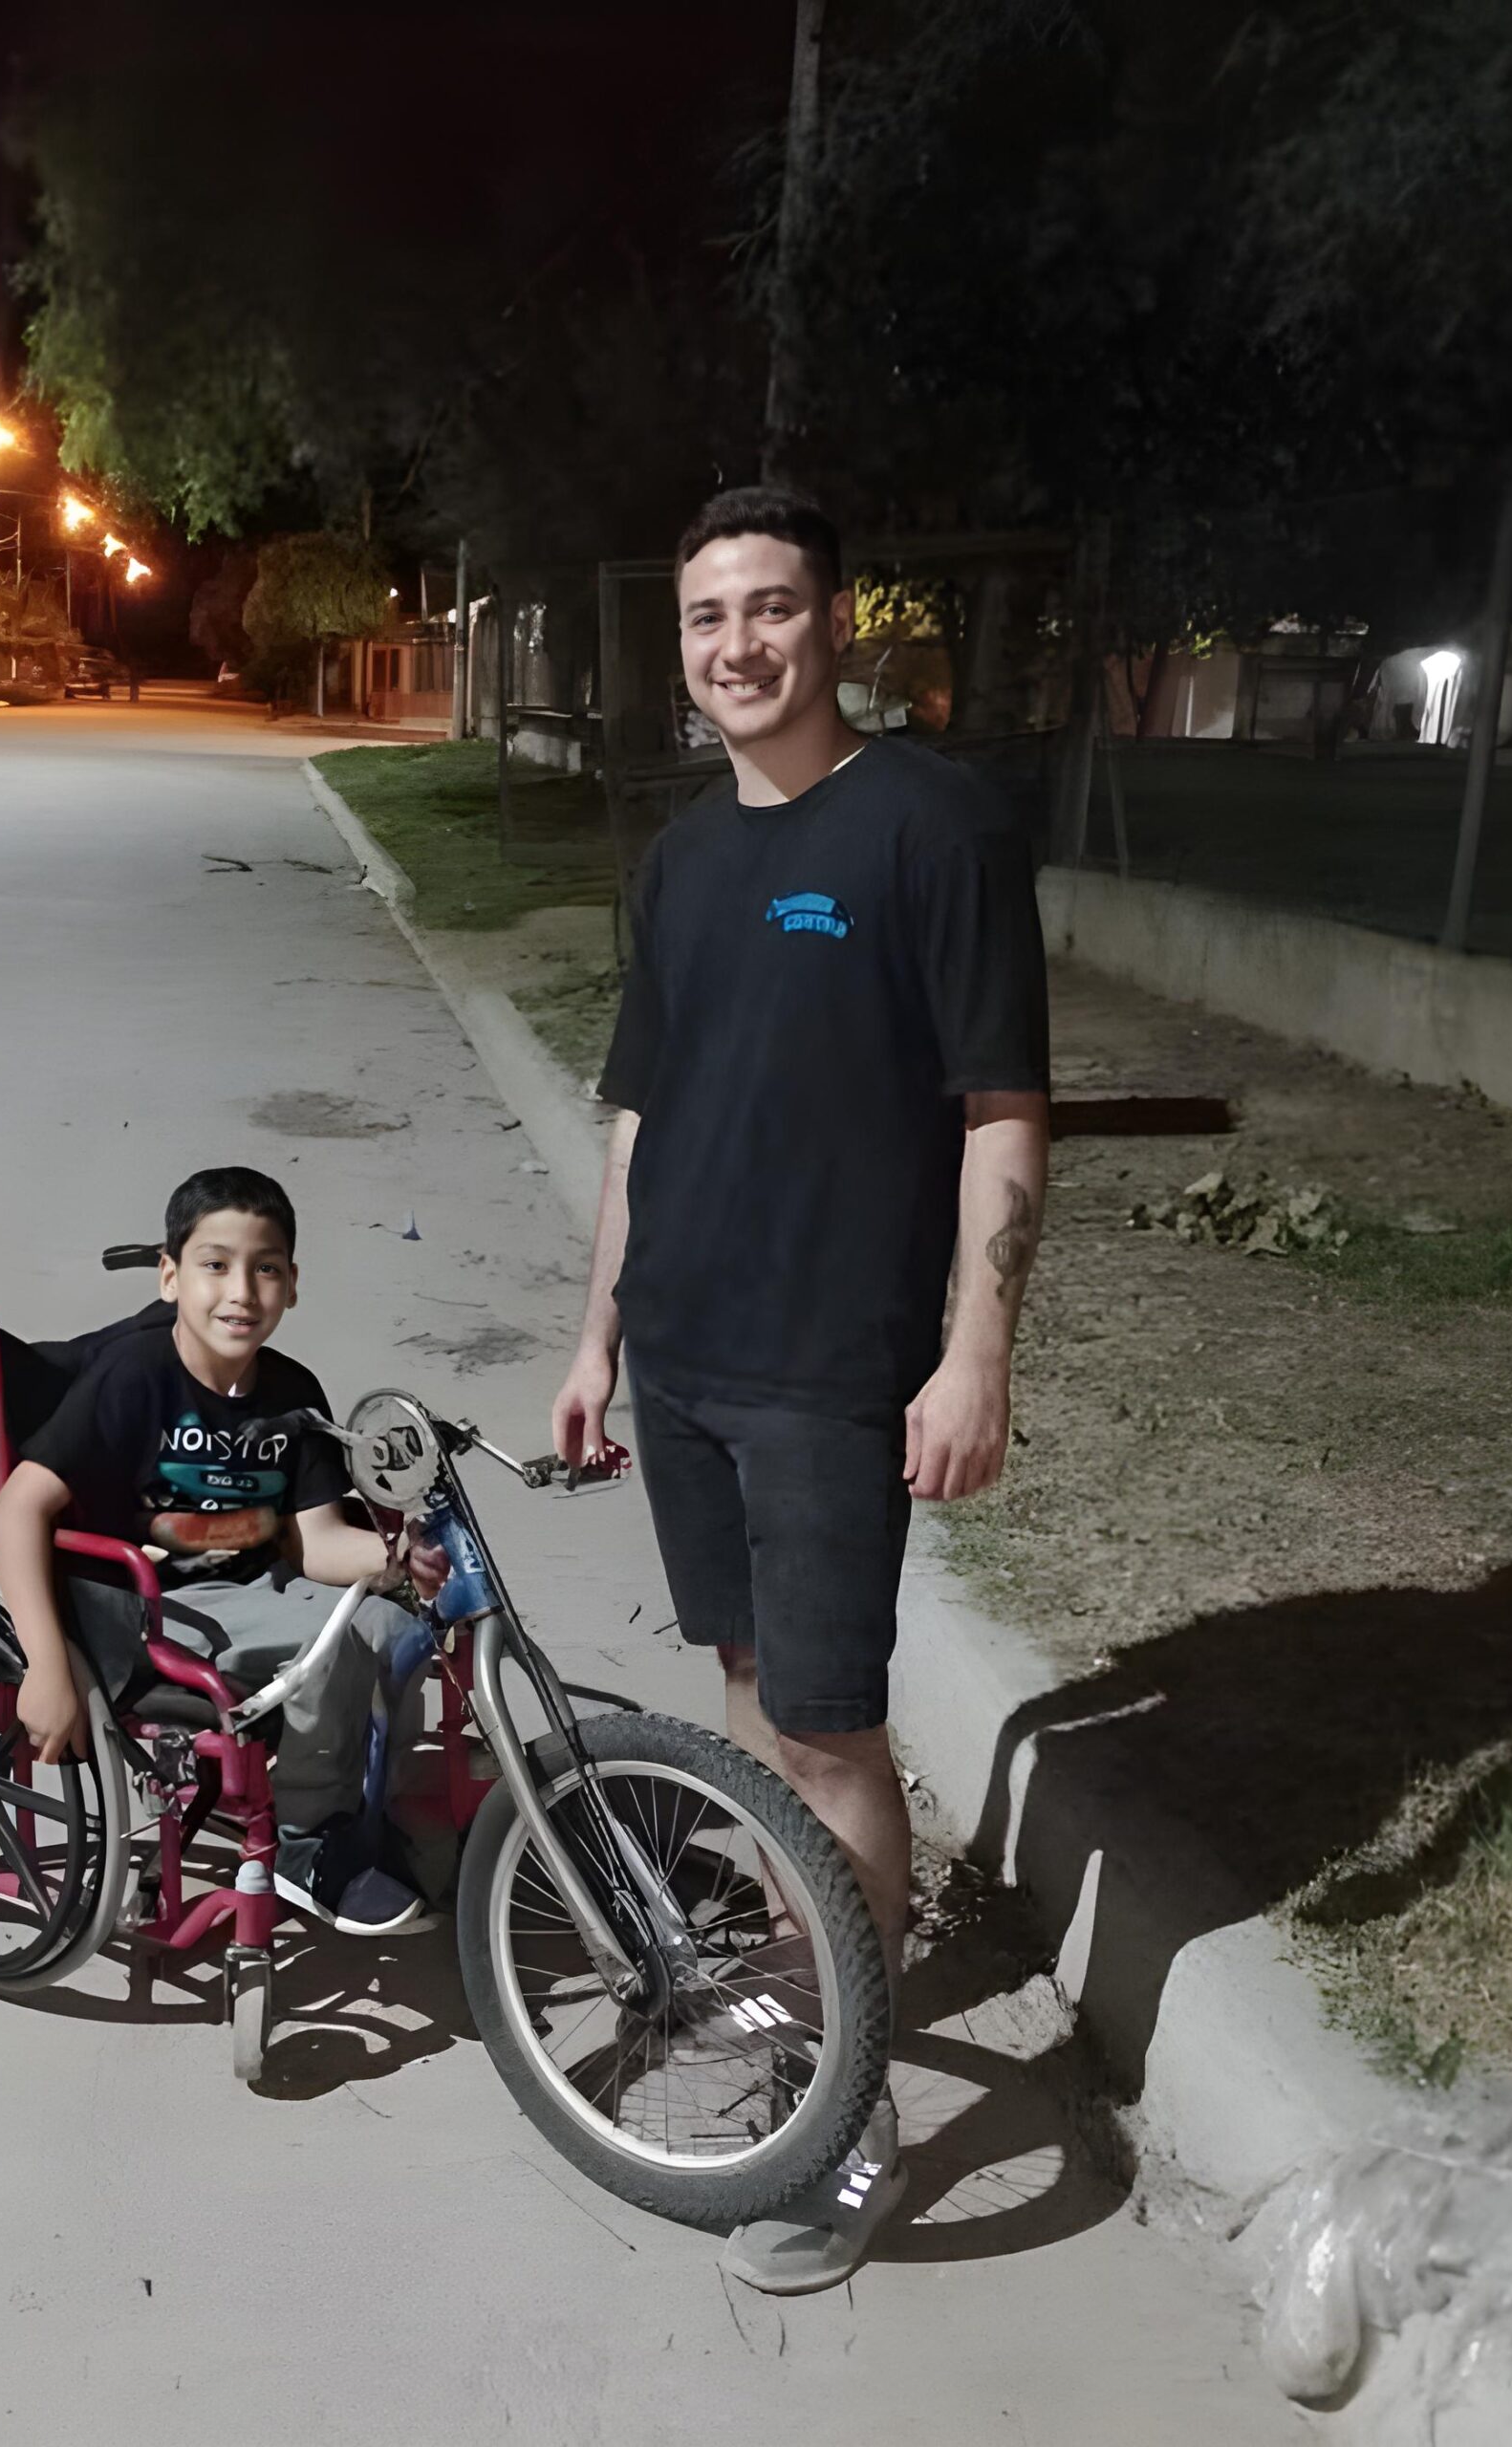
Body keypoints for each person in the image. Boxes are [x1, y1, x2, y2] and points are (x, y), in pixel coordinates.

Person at [550, 486, 1050, 2292]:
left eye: (768, 608)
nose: (736, 646)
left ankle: (849, 2108)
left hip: (832, 1374)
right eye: (705, 619)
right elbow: (639, 1116)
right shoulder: (683, 862)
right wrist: (598, 1339)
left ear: (834, 621)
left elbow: (1001, 1105)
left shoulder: (930, 824)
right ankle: (808, 1984)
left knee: (831, 1730)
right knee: (760, 1696)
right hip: (681, 1357)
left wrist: (972, 1350)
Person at [0, 1165, 444, 1935]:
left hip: (258, 1586)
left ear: (291, 1285)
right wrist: (44, 1664)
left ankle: (372, 1819)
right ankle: (309, 1842)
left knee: (397, 1630)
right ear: (170, 1277)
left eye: (264, 1268)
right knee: (324, 1648)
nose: (241, 1290)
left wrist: (390, 1561)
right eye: (215, 1265)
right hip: (151, 1609)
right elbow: (15, 1514)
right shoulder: (131, 1379)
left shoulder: (292, 1392)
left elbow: (315, 1538)